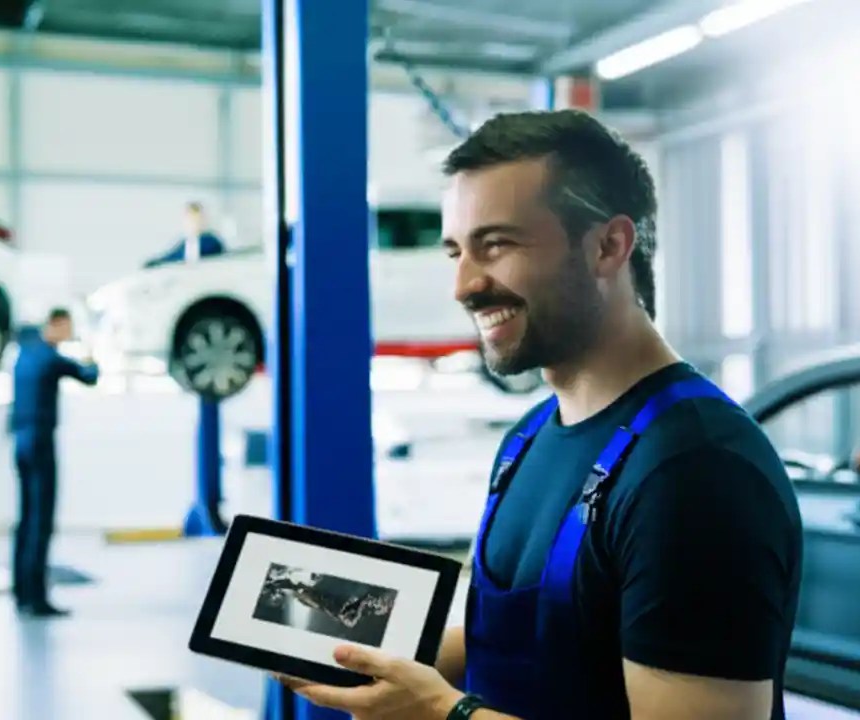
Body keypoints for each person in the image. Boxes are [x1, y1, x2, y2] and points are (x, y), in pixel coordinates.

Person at [280, 110, 803, 719]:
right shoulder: (527, 439)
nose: (465, 284)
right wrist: (342, 642)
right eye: (457, 251)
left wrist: (443, 716)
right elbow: (519, 640)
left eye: (496, 244)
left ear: (609, 246)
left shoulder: (696, 472)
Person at [9, 308, 99, 617]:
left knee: (25, 520)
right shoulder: (50, 357)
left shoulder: (23, 354)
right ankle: (37, 598)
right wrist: (90, 353)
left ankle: (21, 592)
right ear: (57, 325)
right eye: (68, 328)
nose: (68, 334)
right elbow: (90, 376)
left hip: (20, 442)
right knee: (41, 521)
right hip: (40, 443)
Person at [143, 201, 227, 268]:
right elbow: (172, 256)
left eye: (196, 219)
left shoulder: (211, 241)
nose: (193, 222)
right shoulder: (185, 243)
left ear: (203, 220)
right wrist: (155, 263)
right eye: (190, 219)